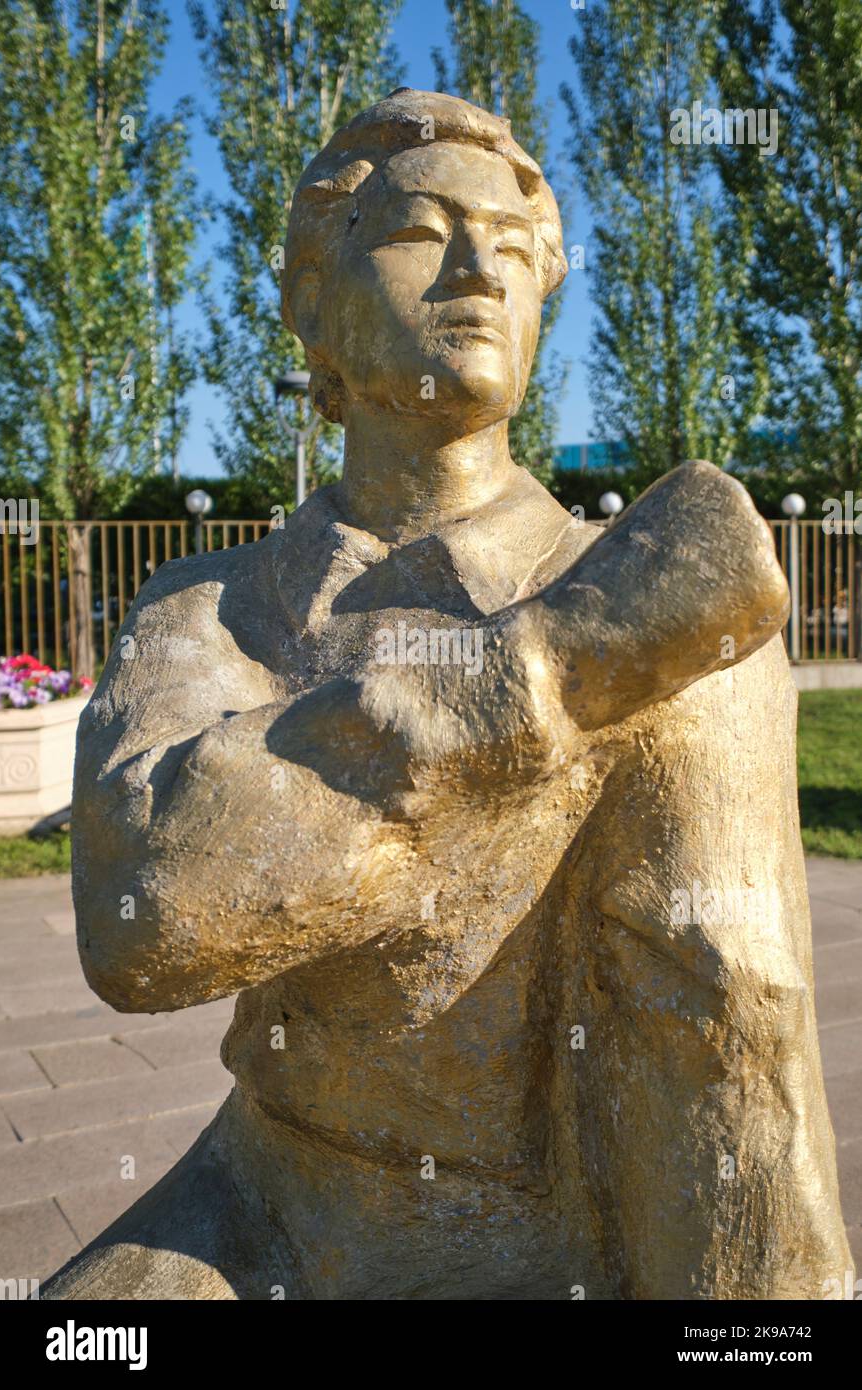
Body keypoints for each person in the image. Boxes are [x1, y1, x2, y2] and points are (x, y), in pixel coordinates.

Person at [43, 89, 850, 1301]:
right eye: (421, 231)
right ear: (309, 300)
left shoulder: (671, 622)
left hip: (526, 1243)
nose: (480, 267)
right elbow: (141, 913)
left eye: (515, 249)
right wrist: (545, 669)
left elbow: (726, 1049)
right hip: (253, 1197)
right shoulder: (211, 606)